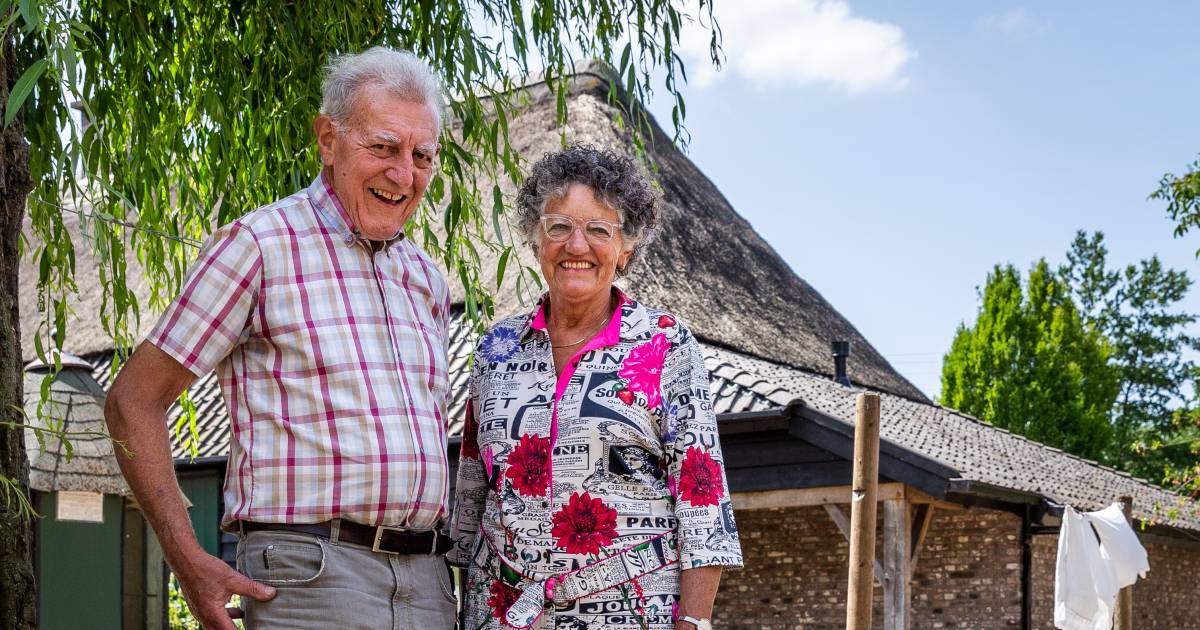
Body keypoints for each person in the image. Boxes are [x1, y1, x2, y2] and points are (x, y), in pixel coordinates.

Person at [105, 47, 456, 630]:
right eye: (383, 147)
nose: (404, 174)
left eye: (422, 156)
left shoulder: (424, 278)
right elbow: (132, 401)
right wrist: (188, 560)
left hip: (427, 582)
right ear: (327, 139)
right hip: (308, 574)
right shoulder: (259, 246)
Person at [449, 146, 742, 630]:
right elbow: (471, 498)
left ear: (626, 248)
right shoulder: (496, 348)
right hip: (500, 613)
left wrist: (695, 621)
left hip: (630, 613)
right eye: (558, 226)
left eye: (599, 230)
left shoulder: (665, 345)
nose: (577, 246)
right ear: (535, 238)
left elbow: (703, 502)